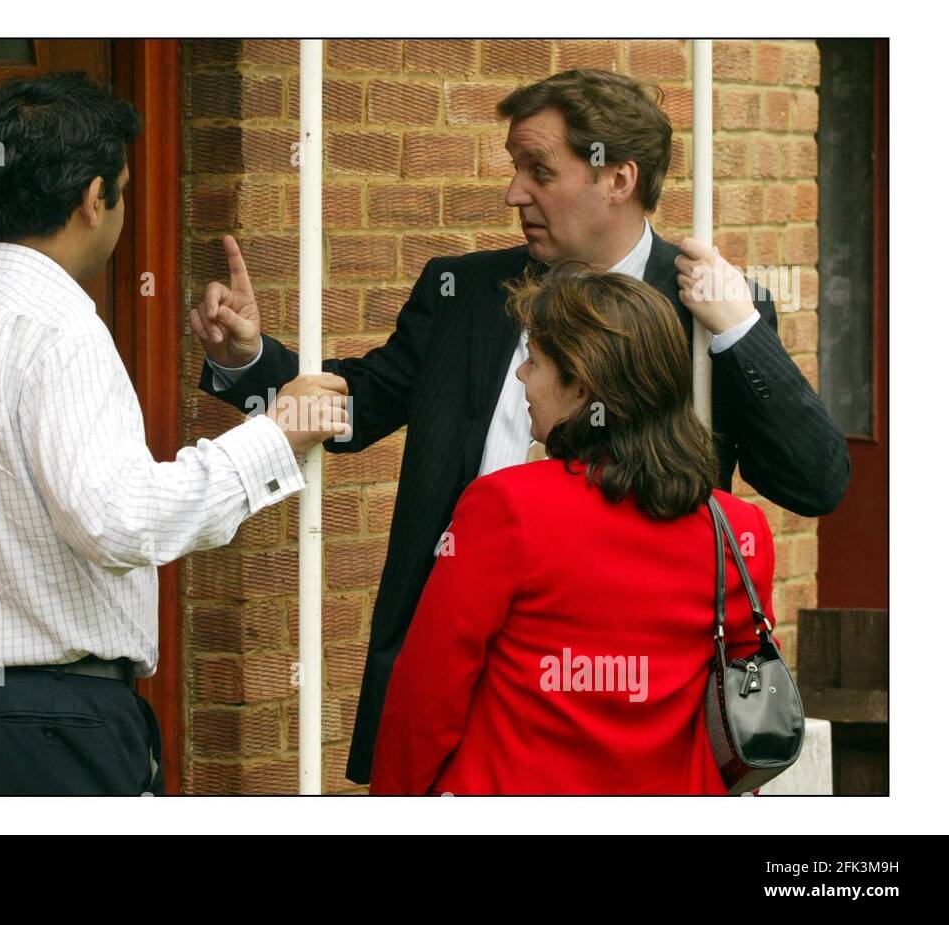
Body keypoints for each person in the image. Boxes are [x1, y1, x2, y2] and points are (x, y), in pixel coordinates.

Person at [189, 68, 849, 785]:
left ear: (618, 178)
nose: (514, 193)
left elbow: (814, 480)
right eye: (513, 168)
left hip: (629, 722)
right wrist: (250, 361)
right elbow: (360, 404)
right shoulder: (464, 290)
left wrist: (740, 329)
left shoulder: (707, 308)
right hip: (457, 693)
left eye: (540, 170)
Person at [0, 71, 349, 795]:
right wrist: (276, 436)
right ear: (93, 199)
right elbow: (116, 518)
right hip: (51, 732)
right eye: (120, 190)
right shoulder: (61, 332)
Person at [370, 269, 773, 794]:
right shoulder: (739, 530)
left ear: (581, 386)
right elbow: (746, 697)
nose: (520, 377)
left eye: (534, 360)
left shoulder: (505, 507)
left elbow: (428, 692)